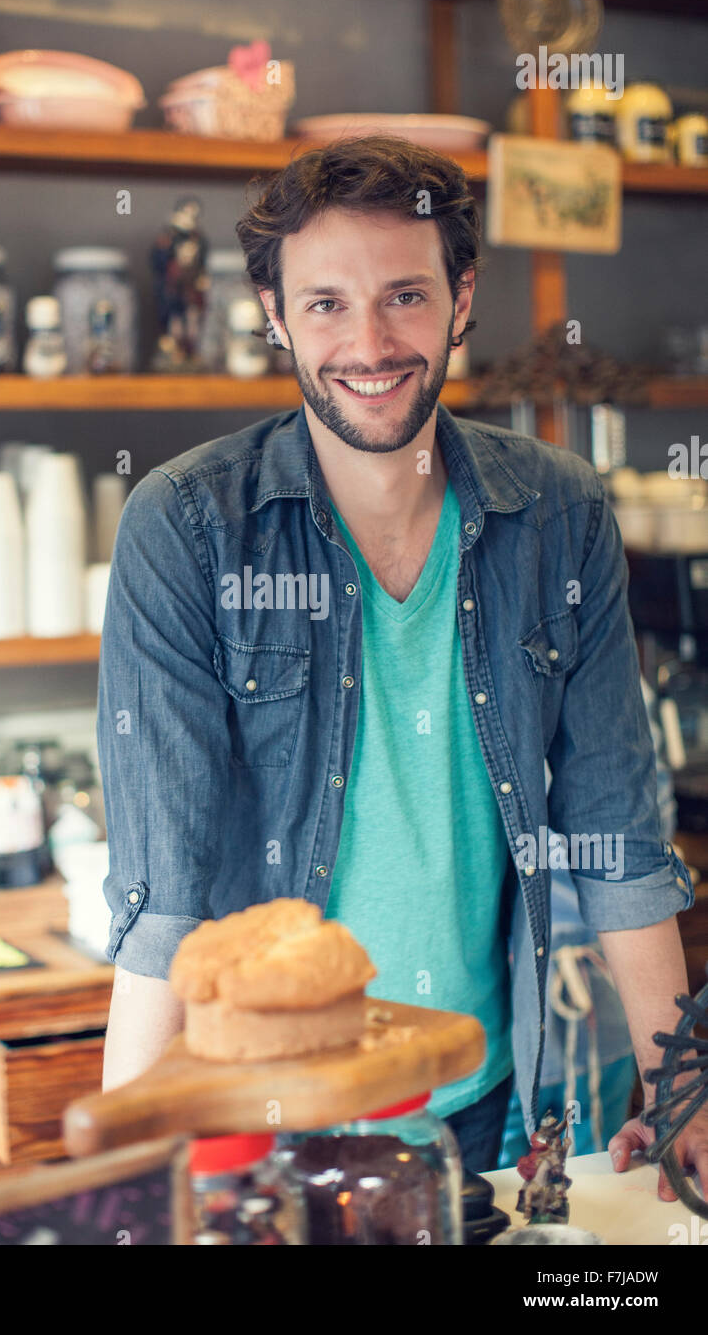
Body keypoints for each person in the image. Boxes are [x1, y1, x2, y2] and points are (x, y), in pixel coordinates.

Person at [98, 136, 704, 1190]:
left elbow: (616, 837)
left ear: (463, 299)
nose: (369, 342)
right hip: (265, 1124)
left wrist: (687, 1088)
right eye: (326, 303)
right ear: (276, 314)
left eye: (406, 296)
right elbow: (168, 902)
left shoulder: (560, 512)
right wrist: (131, 1189)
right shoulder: (188, 525)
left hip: (483, 1102)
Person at [497, 678, 680, 1167]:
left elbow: (640, 843)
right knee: (512, 1175)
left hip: (589, 989)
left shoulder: (613, 686)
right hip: (518, 1003)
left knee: (595, 1166)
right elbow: (655, 824)